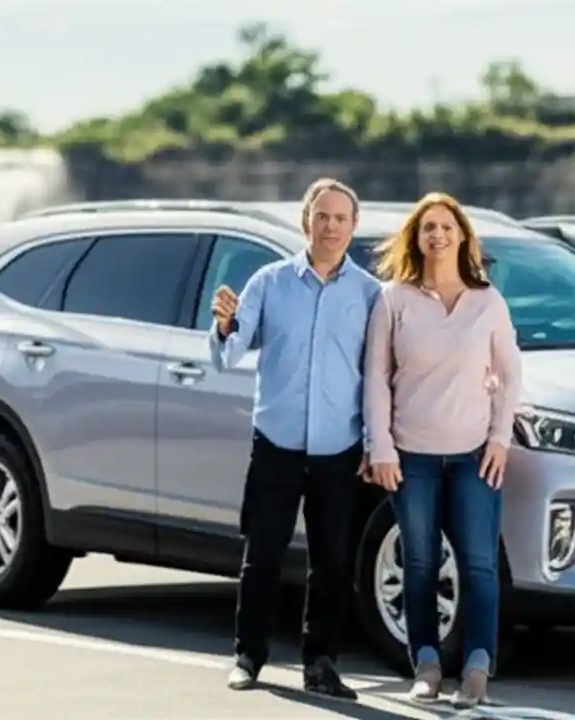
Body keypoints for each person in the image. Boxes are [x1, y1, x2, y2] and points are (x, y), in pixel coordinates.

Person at [208, 178, 381, 700]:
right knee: (262, 553)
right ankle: (248, 655)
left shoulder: (371, 294)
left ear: (354, 227)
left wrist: (375, 444)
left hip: (339, 448)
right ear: (306, 220)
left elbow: (377, 375)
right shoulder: (270, 282)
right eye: (321, 216)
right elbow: (229, 353)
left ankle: (321, 664)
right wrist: (221, 327)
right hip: (277, 443)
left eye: (341, 219)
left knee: (331, 562)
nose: (330, 226)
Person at [362, 192, 522, 708]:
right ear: (416, 237)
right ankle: (426, 665)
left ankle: (477, 667)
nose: (437, 235)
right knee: (421, 565)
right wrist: (380, 446)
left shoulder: (488, 301)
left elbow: (510, 372)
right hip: (412, 457)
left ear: (461, 236)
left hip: (475, 455)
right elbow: (375, 378)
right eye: (428, 227)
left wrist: (500, 438)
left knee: (478, 565)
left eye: (446, 226)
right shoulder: (393, 299)